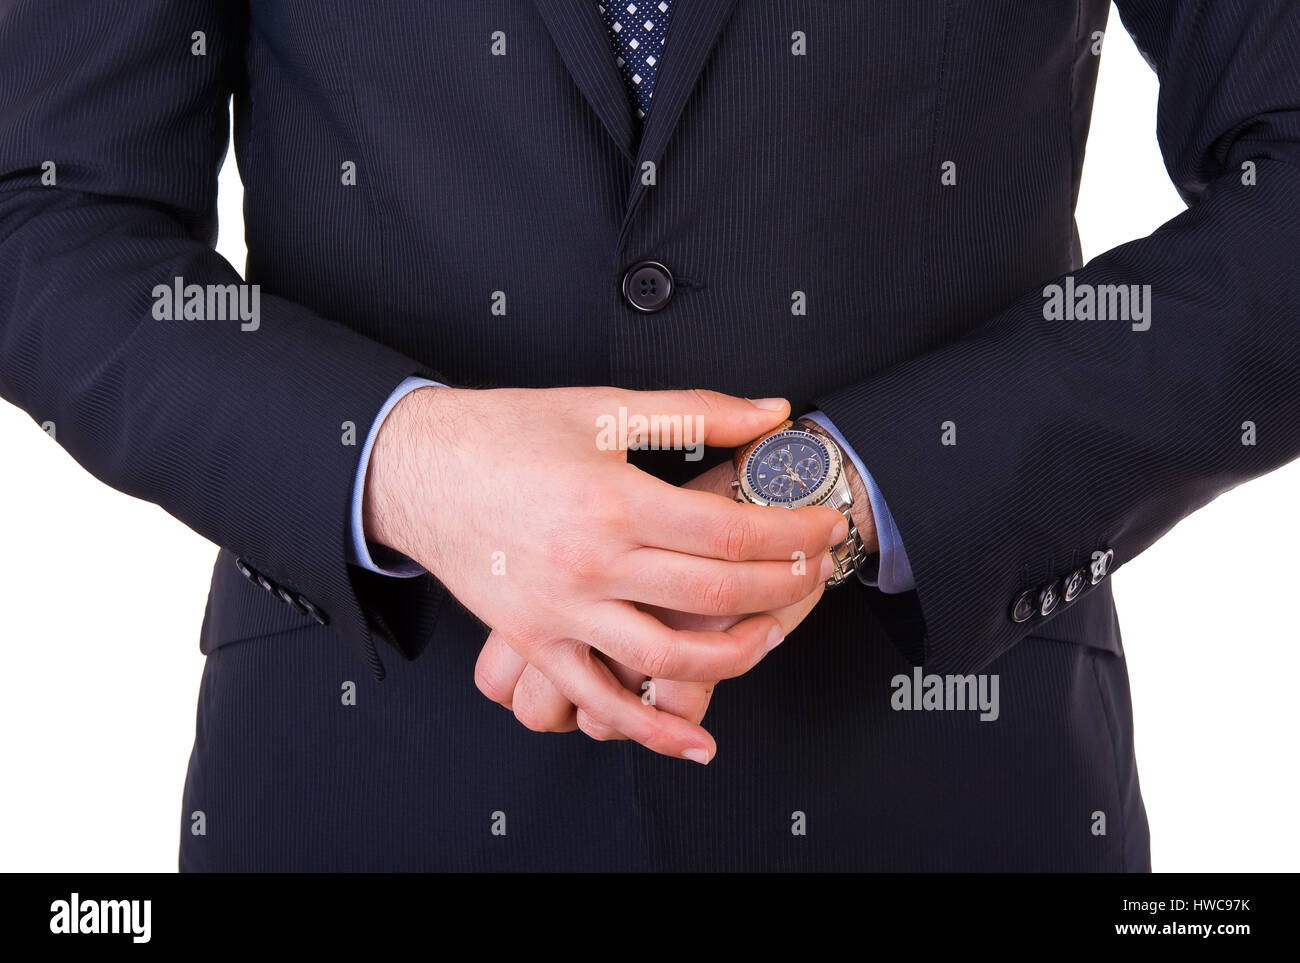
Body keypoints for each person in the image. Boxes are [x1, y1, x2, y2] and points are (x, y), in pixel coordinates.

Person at [1, 0, 1296, 871]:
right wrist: (402, 465)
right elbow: (39, 210)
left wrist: (854, 492)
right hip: (365, 777)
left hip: (945, 784)